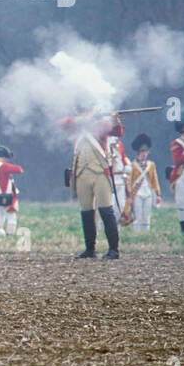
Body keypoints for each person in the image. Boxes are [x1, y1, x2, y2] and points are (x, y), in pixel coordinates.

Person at [59, 110, 123, 259]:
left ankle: (113, 249)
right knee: (86, 213)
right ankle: (90, 249)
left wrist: (115, 120)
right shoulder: (77, 126)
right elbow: (62, 124)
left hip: (100, 172)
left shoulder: (100, 126)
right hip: (81, 174)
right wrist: (81, 119)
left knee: (106, 211)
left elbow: (117, 131)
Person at [123, 134, 161, 232]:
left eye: (146, 151)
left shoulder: (151, 165)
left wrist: (157, 194)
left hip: (148, 192)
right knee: (137, 215)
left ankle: (146, 233)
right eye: (142, 151)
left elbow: (154, 180)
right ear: (138, 152)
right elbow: (130, 181)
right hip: (137, 193)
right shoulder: (132, 165)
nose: (144, 153)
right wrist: (130, 196)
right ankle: (137, 234)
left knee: (146, 215)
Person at [0, 144, 24, 235]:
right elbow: (19, 170)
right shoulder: (3, 166)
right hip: (6, 195)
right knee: (11, 216)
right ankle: (10, 234)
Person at [108, 135, 132, 220]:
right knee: (109, 206)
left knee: (120, 206)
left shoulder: (119, 144)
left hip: (120, 178)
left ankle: (116, 228)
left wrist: (127, 165)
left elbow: (123, 156)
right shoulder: (104, 143)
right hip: (109, 178)